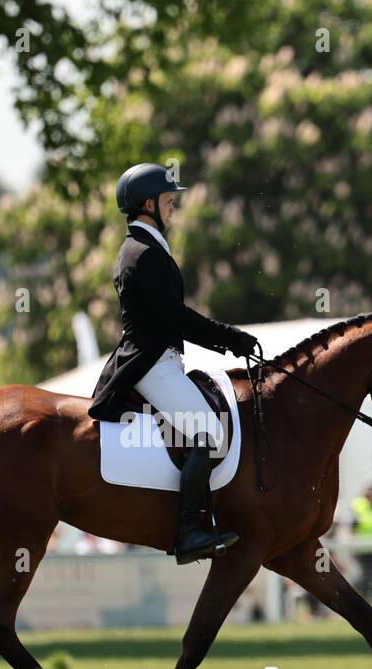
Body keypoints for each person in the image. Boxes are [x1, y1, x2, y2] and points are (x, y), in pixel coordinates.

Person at [89, 163, 259, 564]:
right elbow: (175, 317)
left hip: (159, 360)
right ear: (148, 204)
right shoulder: (142, 253)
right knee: (208, 432)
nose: (173, 209)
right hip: (150, 363)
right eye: (168, 202)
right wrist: (230, 339)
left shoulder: (146, 247)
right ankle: (189, 533)